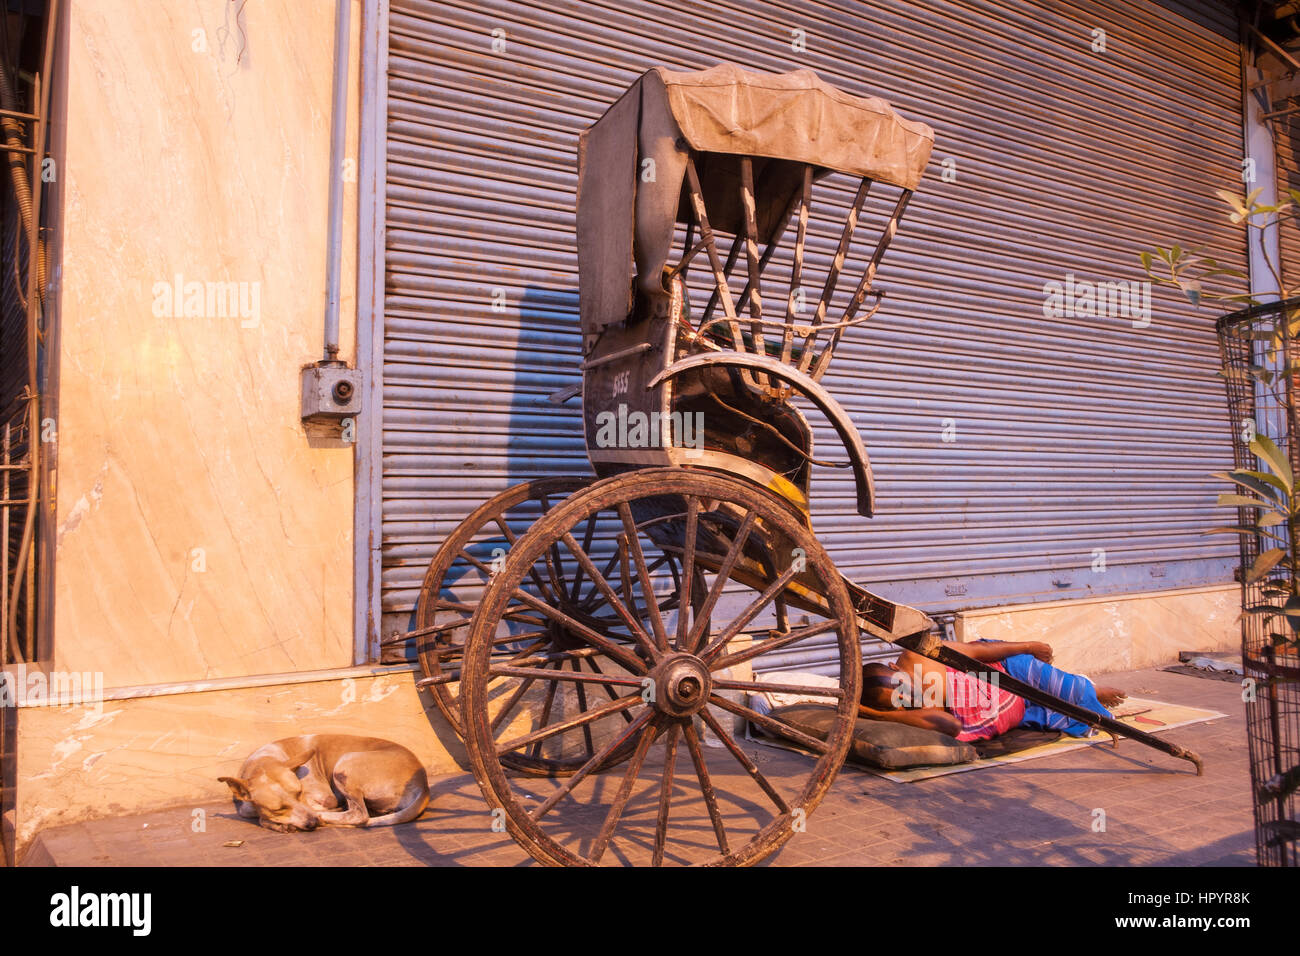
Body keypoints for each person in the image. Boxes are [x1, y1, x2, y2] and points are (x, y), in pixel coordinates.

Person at [857, 639, 1127, 742]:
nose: (907, 695)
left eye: (900, 685)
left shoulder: (917, 657)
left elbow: (975, 651)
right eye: (897, 700)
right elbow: (949, 725)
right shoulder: (919, 713)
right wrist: (877, 715)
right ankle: (1085, 689)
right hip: (1019, 712)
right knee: (1083, 718)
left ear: (895, 665)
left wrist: (1026, 646)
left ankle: (1087, 687)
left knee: (1076, 692)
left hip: (1009, 673)